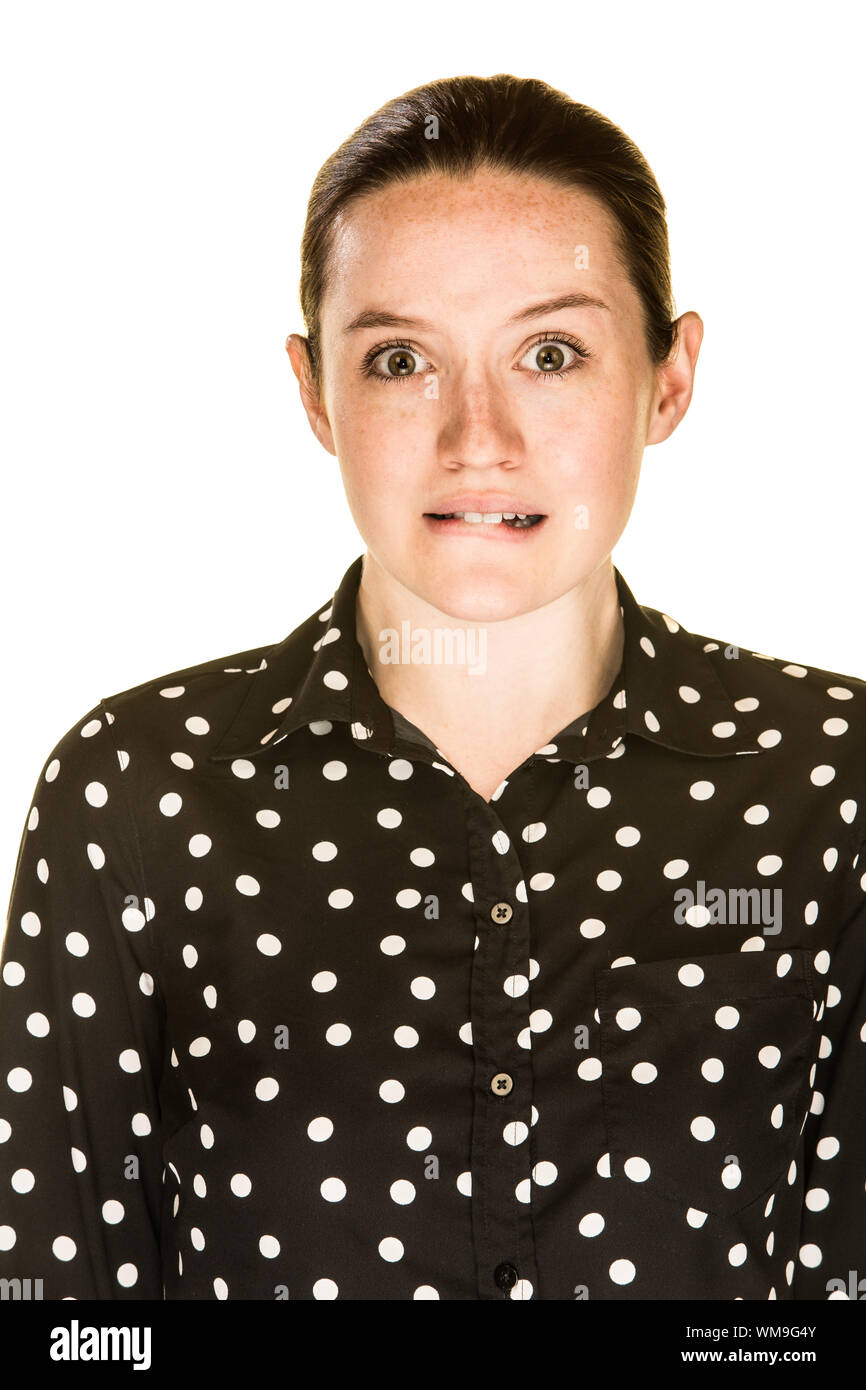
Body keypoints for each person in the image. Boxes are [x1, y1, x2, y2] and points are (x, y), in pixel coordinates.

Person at [1, 73, 863, 1302]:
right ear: (313, 392)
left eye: (551, 353)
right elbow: (57, 1318)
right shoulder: (141, 795)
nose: (476, 437)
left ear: (669, 379)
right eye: (401, 360)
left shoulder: (832, 788)